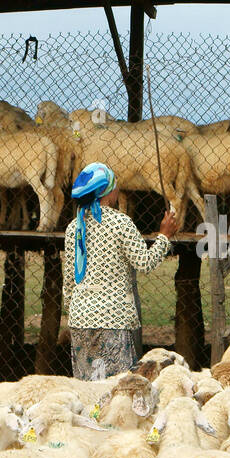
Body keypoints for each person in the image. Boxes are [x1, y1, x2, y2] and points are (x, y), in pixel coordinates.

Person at [63, 163, 178, 380]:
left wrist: (76, 310)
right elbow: (144, 263)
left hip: (80, 319)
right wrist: (164, 236)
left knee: (87, 386)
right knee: (118, 387)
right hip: (113, 319)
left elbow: (70, 280)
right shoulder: (120, 223)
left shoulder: (74, 227)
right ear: (108, 192)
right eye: (116, 185)